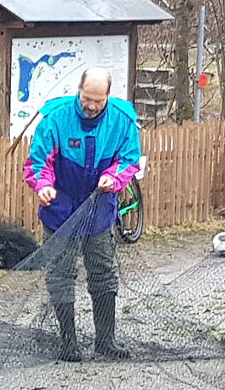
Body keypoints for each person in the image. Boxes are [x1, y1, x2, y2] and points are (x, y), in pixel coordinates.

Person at [23, 67, 143, 361]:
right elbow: (37, 161)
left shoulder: (122, 121)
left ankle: (106, 340)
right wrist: (44, 185)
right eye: (87, 98)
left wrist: (113, 178)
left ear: (108, 97)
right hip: (61, 210)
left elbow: (129, 160)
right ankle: (68, 342)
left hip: (99, 209)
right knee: (61, 275)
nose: (91, 106)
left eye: (98, 101)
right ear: (79, 91)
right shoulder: (56, 118)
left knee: (103, 273)